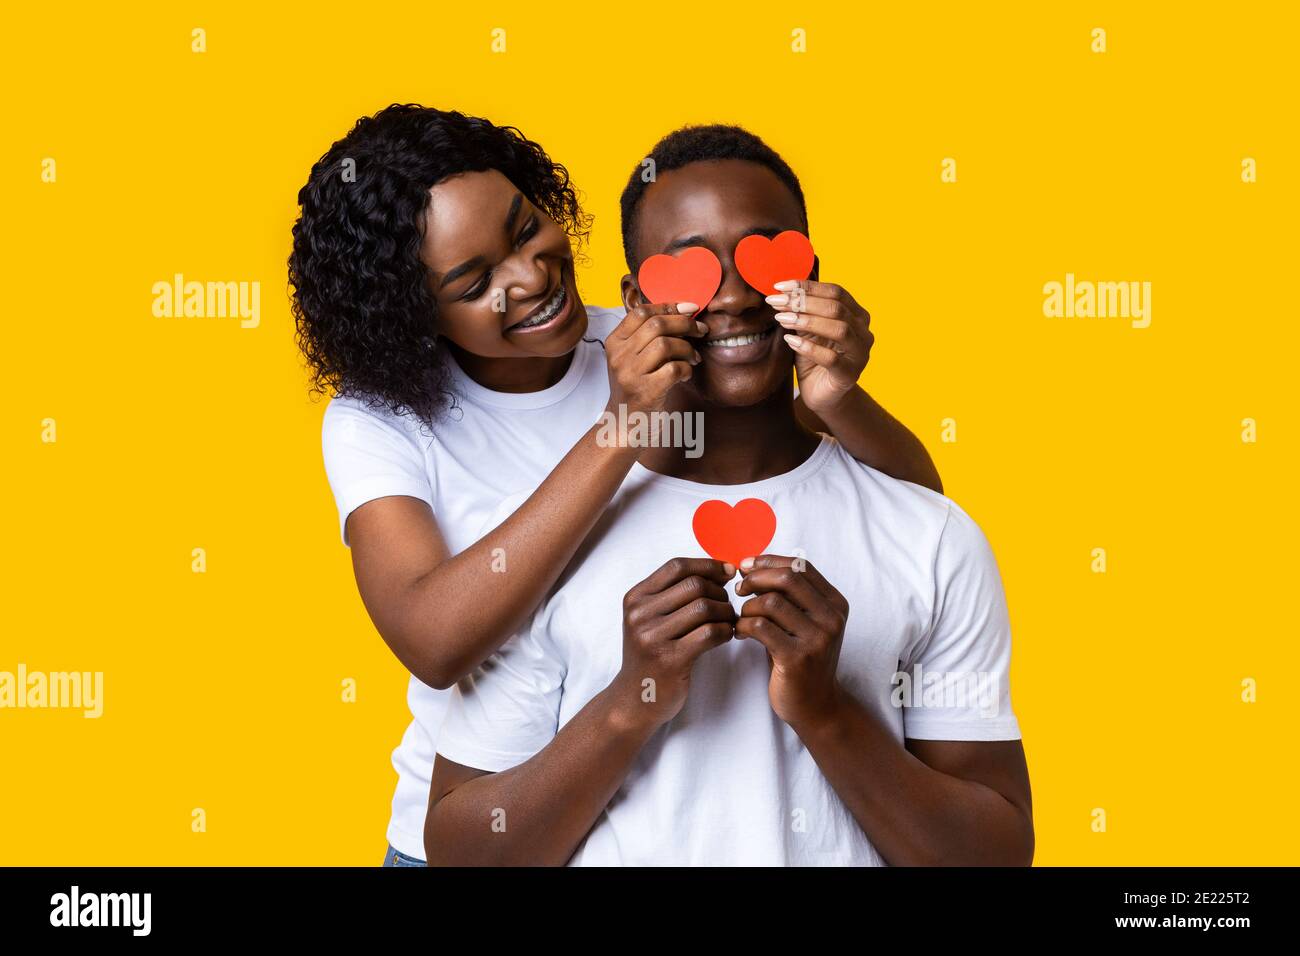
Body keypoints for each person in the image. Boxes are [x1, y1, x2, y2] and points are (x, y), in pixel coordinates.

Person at [289, 106, 941, 865]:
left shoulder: (644, 335)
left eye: (525, 228)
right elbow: (432, 641)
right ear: (412, 316)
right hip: (493, 812)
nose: (530, 277)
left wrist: (834, 397)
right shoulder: (382, 420)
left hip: (636, 818)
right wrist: (620, 429)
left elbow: (911, 516)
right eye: (474, 281)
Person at [423, 126, 1032, 866]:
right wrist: (630, 701)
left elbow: (995, 857)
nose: (737, 295)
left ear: (815, 278)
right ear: (634, 301)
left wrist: (825, 710)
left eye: (766, 256)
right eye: (689, 270)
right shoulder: (548, 543)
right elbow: (460, 850)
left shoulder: (934, 537)